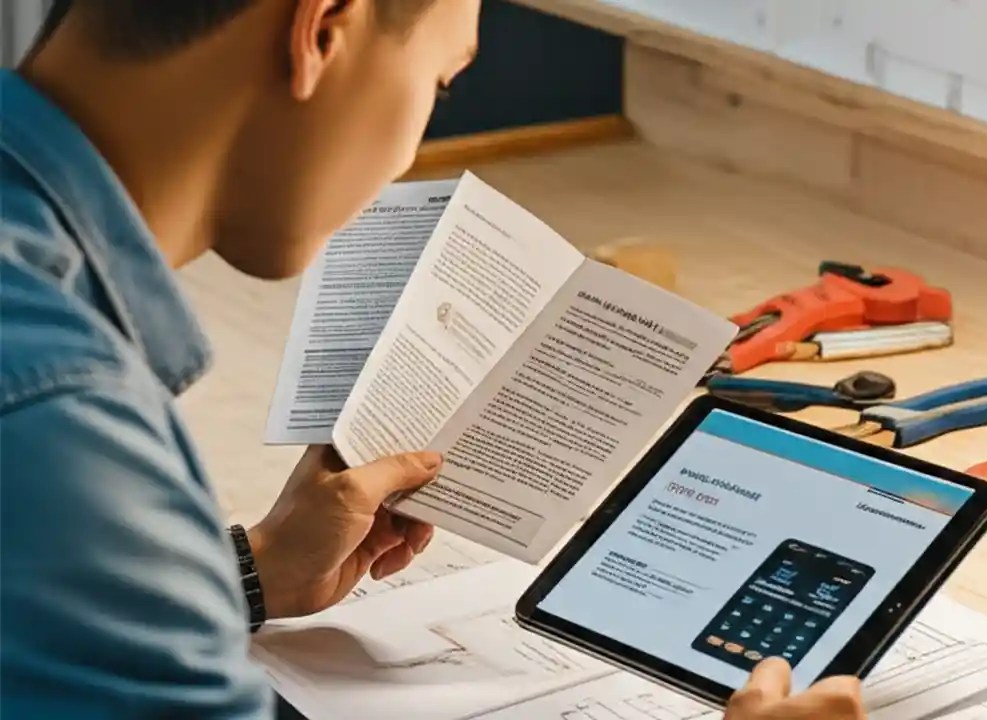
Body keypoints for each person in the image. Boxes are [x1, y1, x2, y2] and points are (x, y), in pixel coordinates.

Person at [0, 1, 868, 718]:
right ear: (323, 30)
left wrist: (244, 572)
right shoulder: (57, 415)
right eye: (441, 84)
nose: (412, 150)